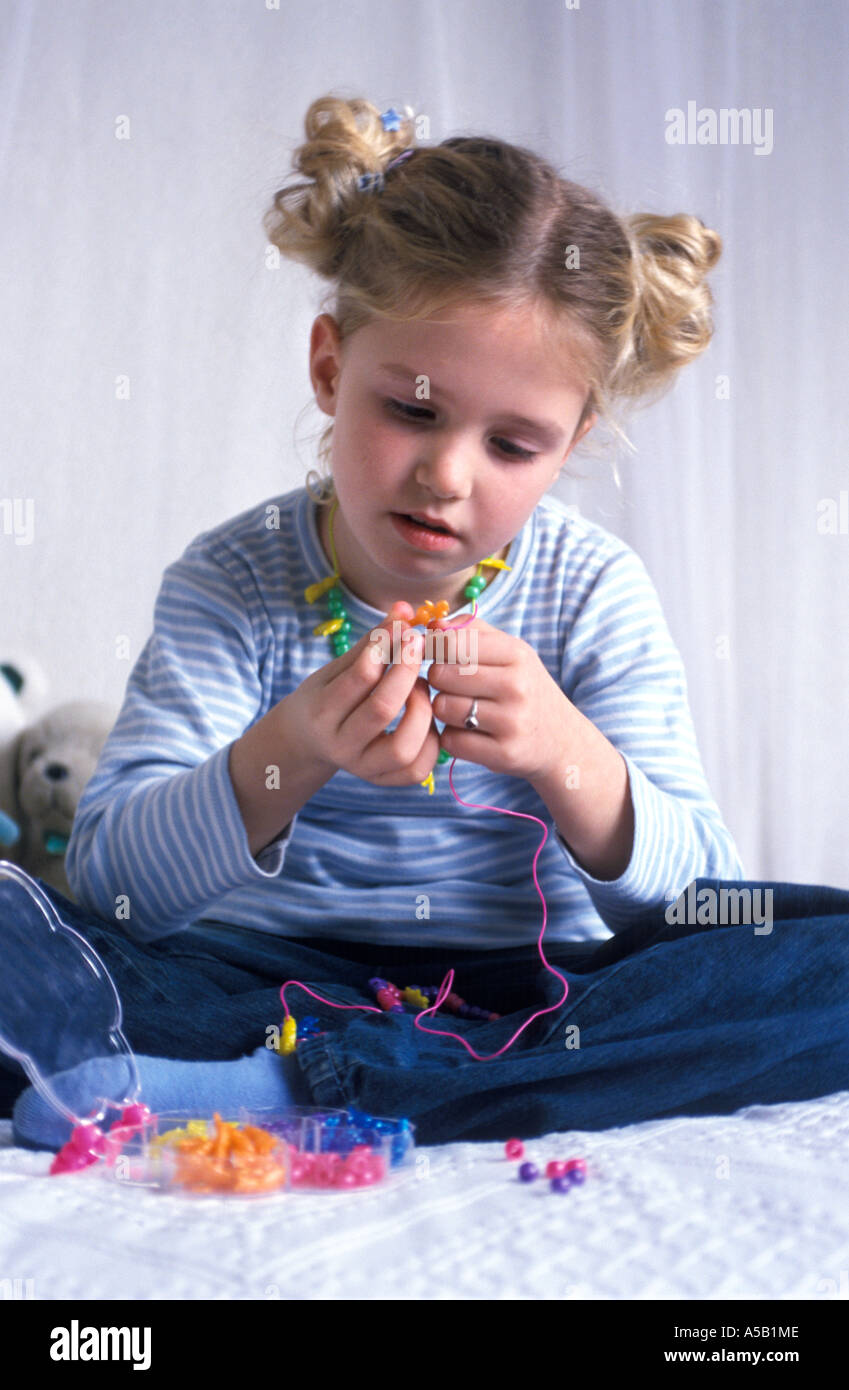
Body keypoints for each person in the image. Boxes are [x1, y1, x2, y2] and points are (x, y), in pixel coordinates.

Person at [5, 97, 848, 1149]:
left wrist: (563, 751)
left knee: (820, 954)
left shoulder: (591, 589)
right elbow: (117, 884)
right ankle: (314, 1071)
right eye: (412, 409)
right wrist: (293, 751)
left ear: (574, 437)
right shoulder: (232, 579)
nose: (446, 476)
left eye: (514, 444)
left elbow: (702, 900)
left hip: (526, 1003)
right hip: (248, 985)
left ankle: (287, 1091)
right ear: (329, 367)